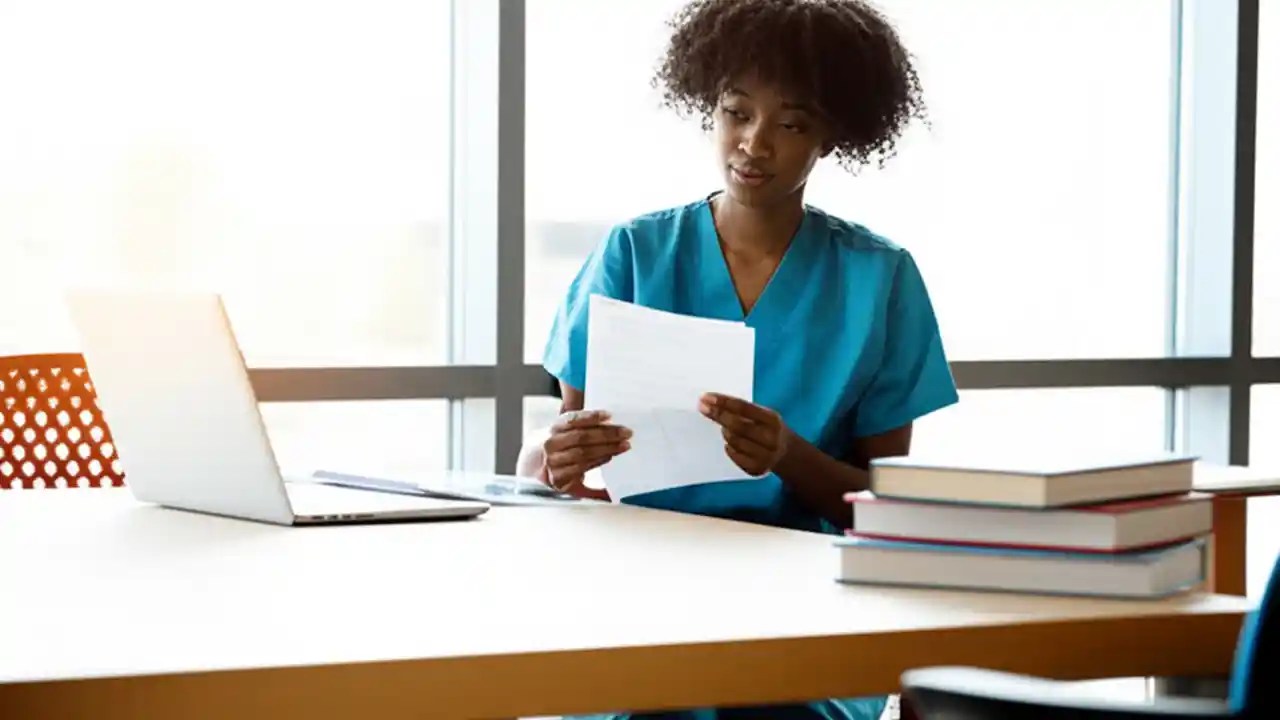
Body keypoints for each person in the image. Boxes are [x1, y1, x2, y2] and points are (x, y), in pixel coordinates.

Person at [516, 0, 958, 717]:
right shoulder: (633, 252)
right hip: (635, 597)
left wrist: (787, 454)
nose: (754, 142)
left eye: (792, 123)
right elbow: (551, 469)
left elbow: (886, 509)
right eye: (735, 112)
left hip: (802, 611)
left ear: (831, 134)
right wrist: (556, 456)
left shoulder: (880, 279)